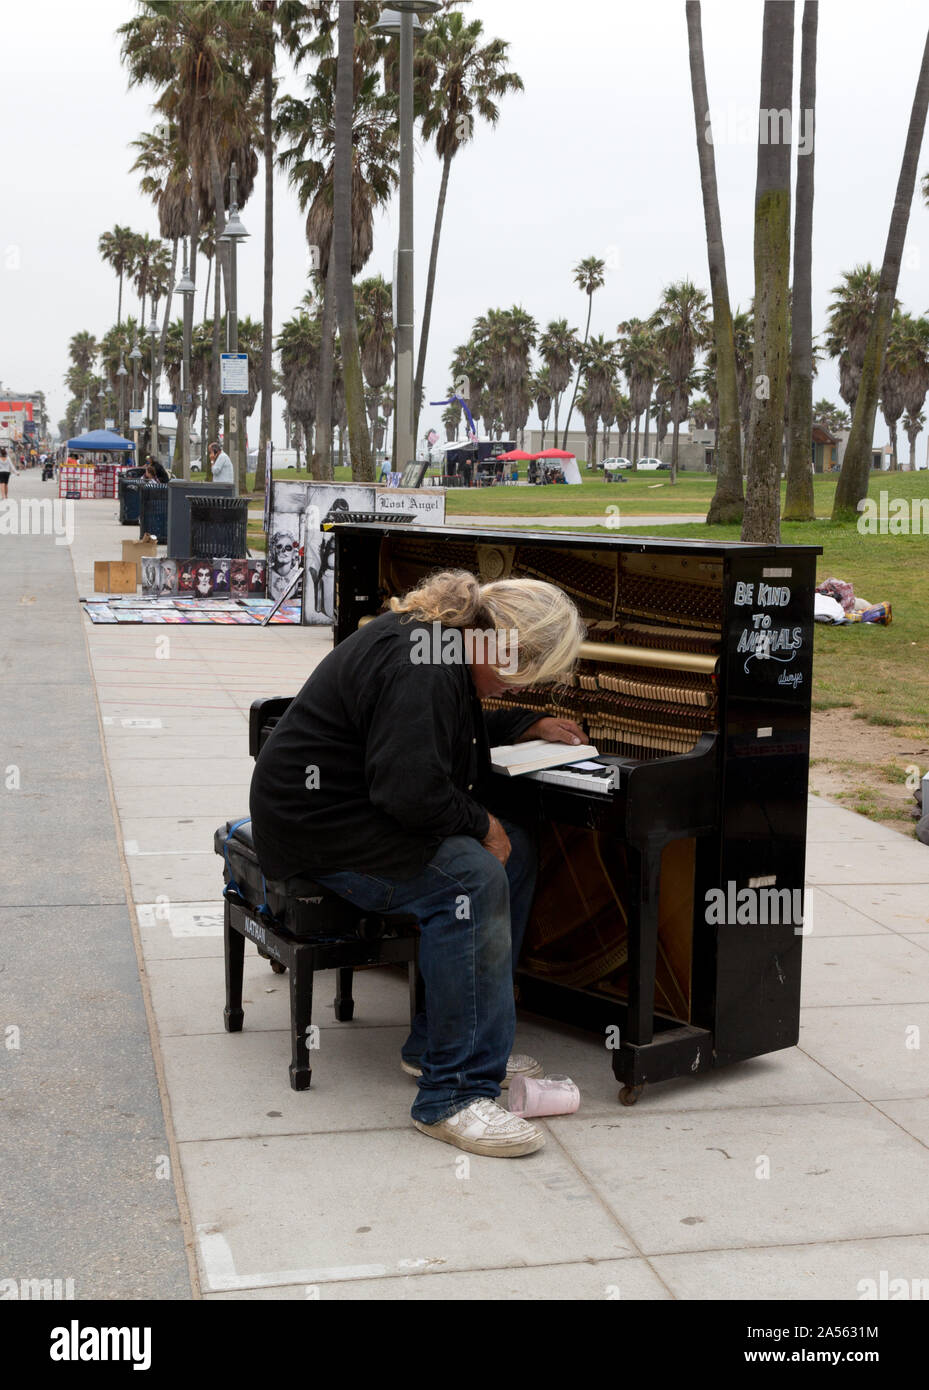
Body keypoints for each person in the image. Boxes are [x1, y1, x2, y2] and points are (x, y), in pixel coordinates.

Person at [250, 570, 587, 1158]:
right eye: (521, 677)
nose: (516, 689)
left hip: (345, 807)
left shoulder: (441, 639)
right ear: (504, 647)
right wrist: (483, 824)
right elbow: (409, 790)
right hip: (320, 827)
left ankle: (441, 1042)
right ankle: (451, 1094)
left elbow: (447, 724)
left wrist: (521, 725)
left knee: (518, 854)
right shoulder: (425, 663)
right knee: (475, 875)